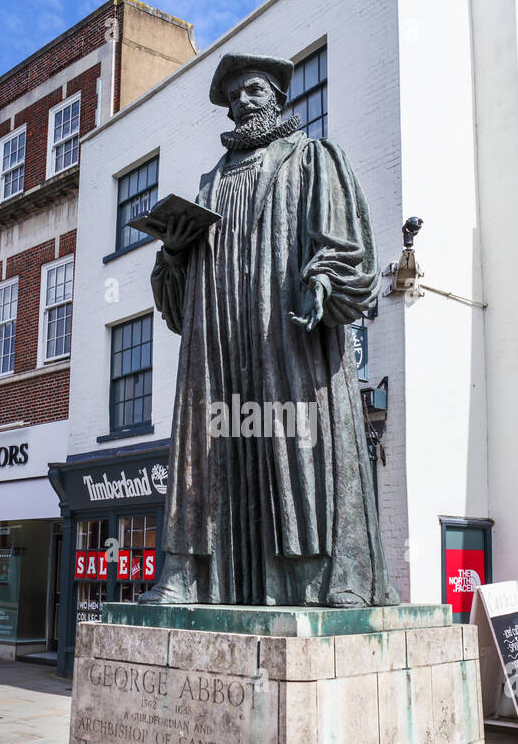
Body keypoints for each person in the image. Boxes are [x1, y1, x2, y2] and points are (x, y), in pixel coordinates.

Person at [140, 51, 397, 608]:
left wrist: (324, 279)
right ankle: (188, 574)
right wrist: (174, 251)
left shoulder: (311, 159)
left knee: (296, 442)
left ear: (278, 97)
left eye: (253, 91)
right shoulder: (209, 185)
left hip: (283, 334)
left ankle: (314, 576)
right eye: (233, 97)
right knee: (203, 449)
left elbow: (344, 245)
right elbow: (176, 303)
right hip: (218, 341)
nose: (241, 103)